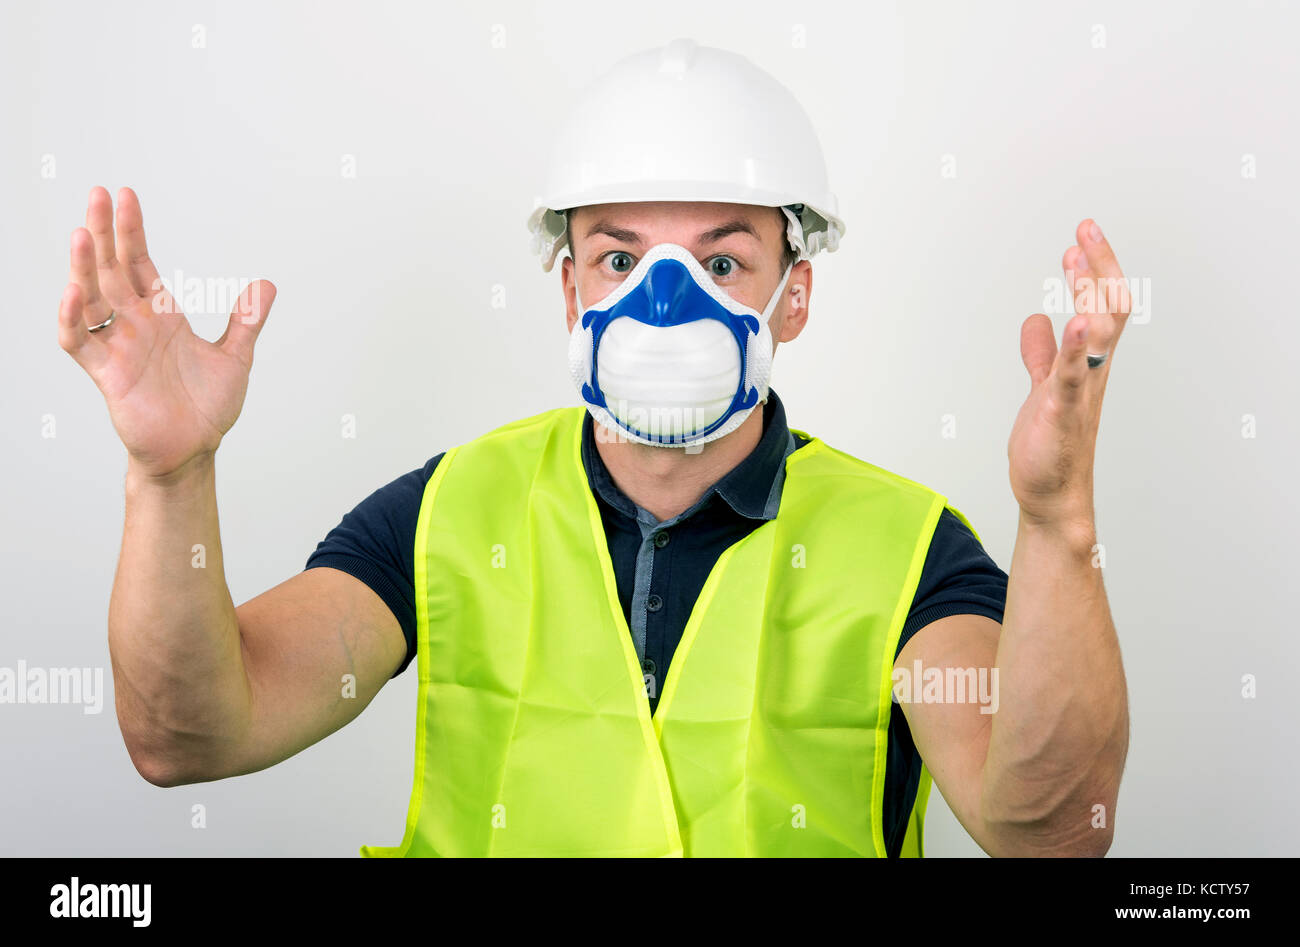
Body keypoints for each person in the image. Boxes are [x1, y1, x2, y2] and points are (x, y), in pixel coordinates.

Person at [56, 39, 1129, 857]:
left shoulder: (907, 550)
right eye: (619, 258)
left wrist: (1057, 523)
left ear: (792, 293)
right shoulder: (446, 512)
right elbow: (188, 738)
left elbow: (1047, 829)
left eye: (722, 259)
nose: (666, 304)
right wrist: (171, 473)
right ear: (567, 285)